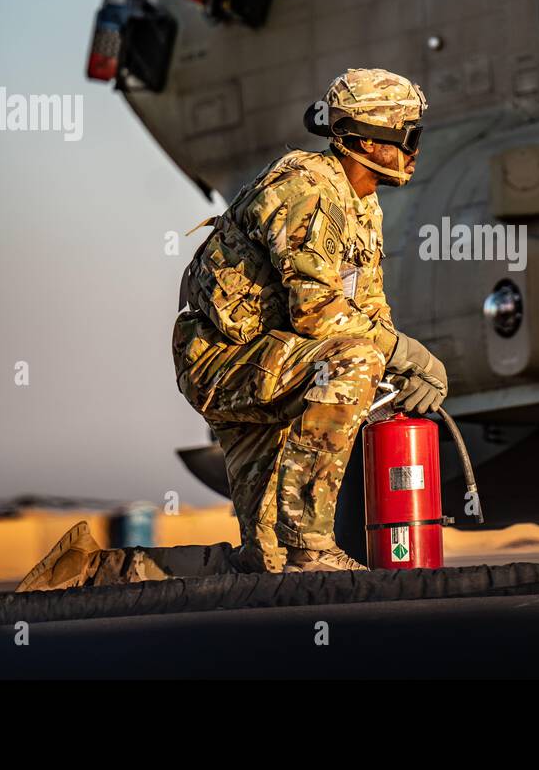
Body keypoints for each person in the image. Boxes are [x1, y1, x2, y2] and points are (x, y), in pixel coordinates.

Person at [171, 67, 448, 573]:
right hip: (225, 361)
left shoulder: (362, 202)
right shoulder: (309, 188)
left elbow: (367, 308)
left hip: (269, 359)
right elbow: (318, 313)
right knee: (355, 362)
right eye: (408, 135)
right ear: (366, 140)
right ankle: (311, 544)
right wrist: (402, 354)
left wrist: (402, 363)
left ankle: (105, 576)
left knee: (265, 564)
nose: (415, 149)